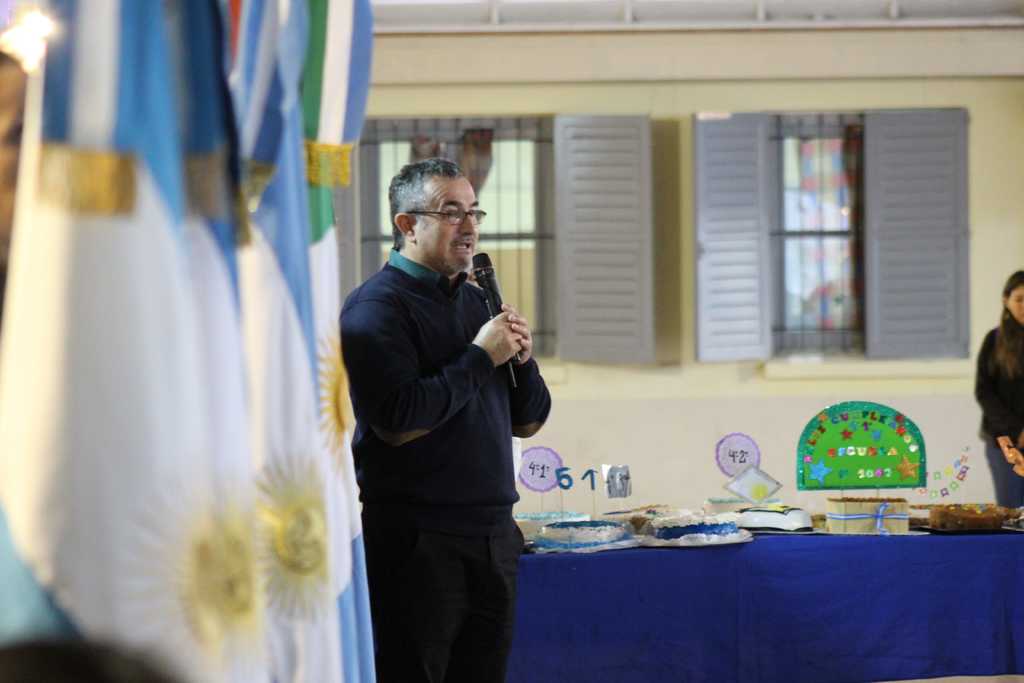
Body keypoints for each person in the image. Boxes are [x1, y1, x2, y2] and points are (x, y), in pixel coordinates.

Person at [340, 157, 551, 683]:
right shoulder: (376, 308)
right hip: (418, 543)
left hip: (492, 535)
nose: (470, 224)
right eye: (451, 211)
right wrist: (480, 357)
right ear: (407, 225)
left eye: (473, 211)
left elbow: (528, 422)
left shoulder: (479, 303)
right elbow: (398, 420)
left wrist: (520, 356)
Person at [975, 269, 1024, 507]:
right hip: (1005, 443)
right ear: (1006, 300)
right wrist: (1017, 430)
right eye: (1019, 299)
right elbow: (984, 392)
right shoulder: (994, 341)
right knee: (1012, 512)